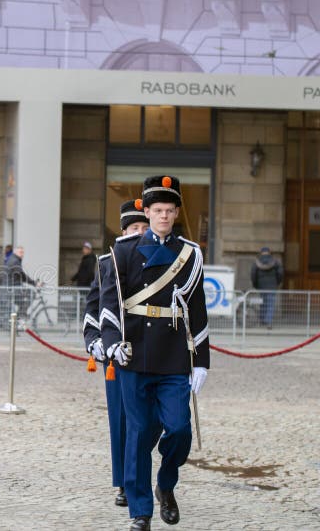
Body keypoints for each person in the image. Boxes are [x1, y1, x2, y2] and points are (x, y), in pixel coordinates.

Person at [100, 176, 210, 531]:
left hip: (174, 356)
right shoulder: (123, 253)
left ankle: (166, 483)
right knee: (139, 431)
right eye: (157, 210)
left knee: (179, 429)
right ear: (146, 212)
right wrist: (112, 340)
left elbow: (197, 309)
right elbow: (109, 306)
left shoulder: (190, 254)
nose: (163, 216)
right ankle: (141, 511)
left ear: (177, 213)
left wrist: (202, 361)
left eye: (169, 210)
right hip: (134, 354)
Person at [83, 199, 149, 508]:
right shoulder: (106, 263)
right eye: (135, 228)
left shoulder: (162, 260)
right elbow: (93, 306)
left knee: (152, 422)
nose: (140, 233)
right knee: (122, 421)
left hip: (153, 351)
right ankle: (125, 481)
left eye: (145, 228)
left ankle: (143, 475)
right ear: (122, 231)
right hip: (117, 353)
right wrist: (94, 339)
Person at [250, 246, 283, 329]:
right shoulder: (275, 262)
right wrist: (277, 283)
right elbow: (280, 273)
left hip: (261, 286)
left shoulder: (257, 262)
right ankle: (269, 322)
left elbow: (253, 275)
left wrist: (255, 285)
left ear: (261, 253)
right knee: (270, 304)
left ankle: (262, 320)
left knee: (263, 303)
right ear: (269, 252)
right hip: (272, 286)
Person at [4, 246, 38, 317]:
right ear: (15, 252)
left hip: (13, 287)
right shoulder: (15, 261)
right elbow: (22, 275)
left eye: (23, 252)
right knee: (32, 293)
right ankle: (20, 314)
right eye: (20, 252)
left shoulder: (14, 259)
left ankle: (18, 316)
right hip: (13, 288)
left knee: (22, 302)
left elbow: (21, 275)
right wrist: (34, 283)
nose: (22, 254)